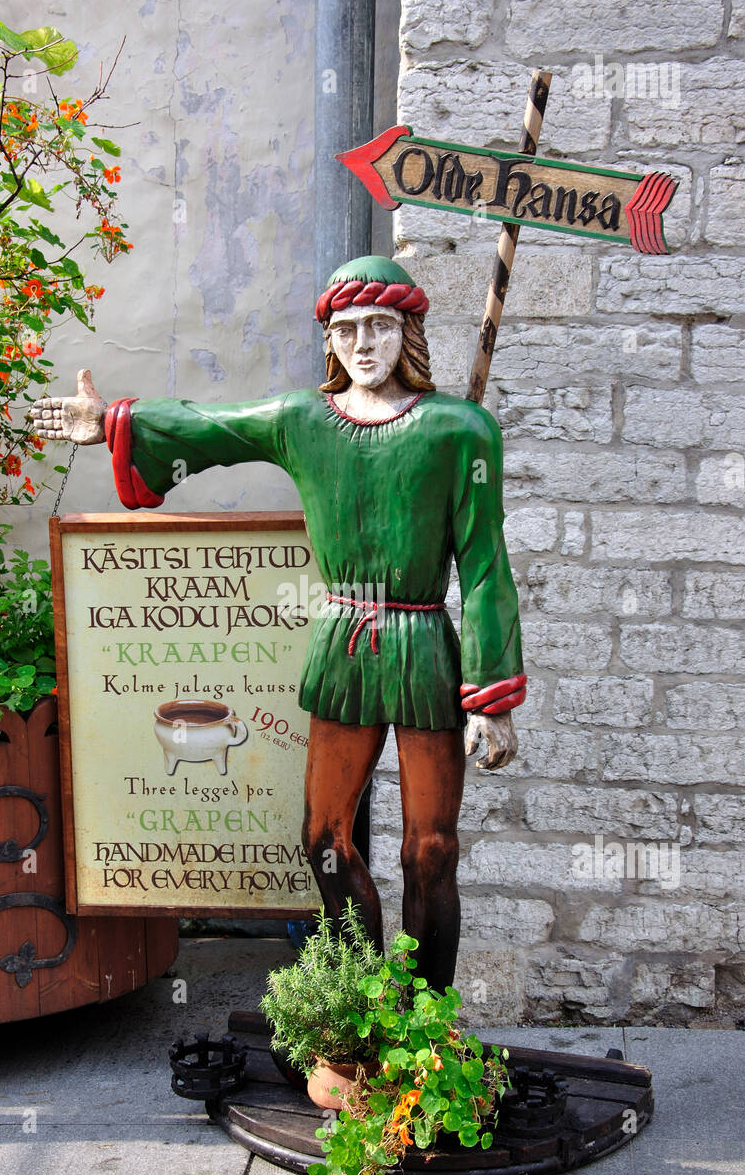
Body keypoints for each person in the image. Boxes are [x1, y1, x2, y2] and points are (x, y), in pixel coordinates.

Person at [31, 256, 526, 988]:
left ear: (408, 334)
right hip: (342, 645)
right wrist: (107, 421)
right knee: (323, 838)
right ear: (328, 338)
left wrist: (491, 699)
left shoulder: (461, 431)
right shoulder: (301, 420)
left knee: (430, 849)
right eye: (346, 329)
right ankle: (359, 996)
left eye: (380, 327)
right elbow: (208, 427)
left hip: (423, 647)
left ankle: (425, 1011)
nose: (363, 344)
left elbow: (485, 564)